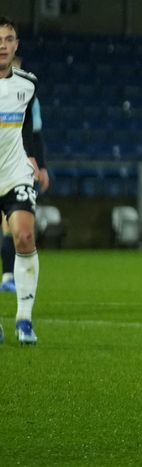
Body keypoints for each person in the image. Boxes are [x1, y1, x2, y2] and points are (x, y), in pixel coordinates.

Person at [0, 18, 42, 345]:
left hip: (14, 173)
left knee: (25, 237)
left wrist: (32, 157)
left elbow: (26, 124)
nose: (2, 44)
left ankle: (24, 320)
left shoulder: (28, 84)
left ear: (16, 45)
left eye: (8, 38)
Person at [2, 56, 48, 294]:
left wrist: (40, 165)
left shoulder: (29, 96)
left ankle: (9, 274)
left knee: (14, 227)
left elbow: (34, 132)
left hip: (15, 169)